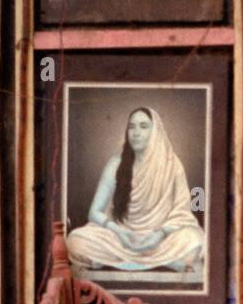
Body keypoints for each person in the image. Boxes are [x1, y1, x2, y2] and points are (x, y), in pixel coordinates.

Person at [66, 106, 205, 276]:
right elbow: (94, 212)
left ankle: (121, 261)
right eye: (132, 127)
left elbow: (182, 212)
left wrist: (159, 235)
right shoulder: (115, 164)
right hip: (120, 238)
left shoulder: (172, 165)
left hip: (159, 239)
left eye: (143, 126)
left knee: (195, 239)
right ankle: (166, 261)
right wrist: (119, 232)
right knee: (75, 241)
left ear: (156, 131)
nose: (136, 132)